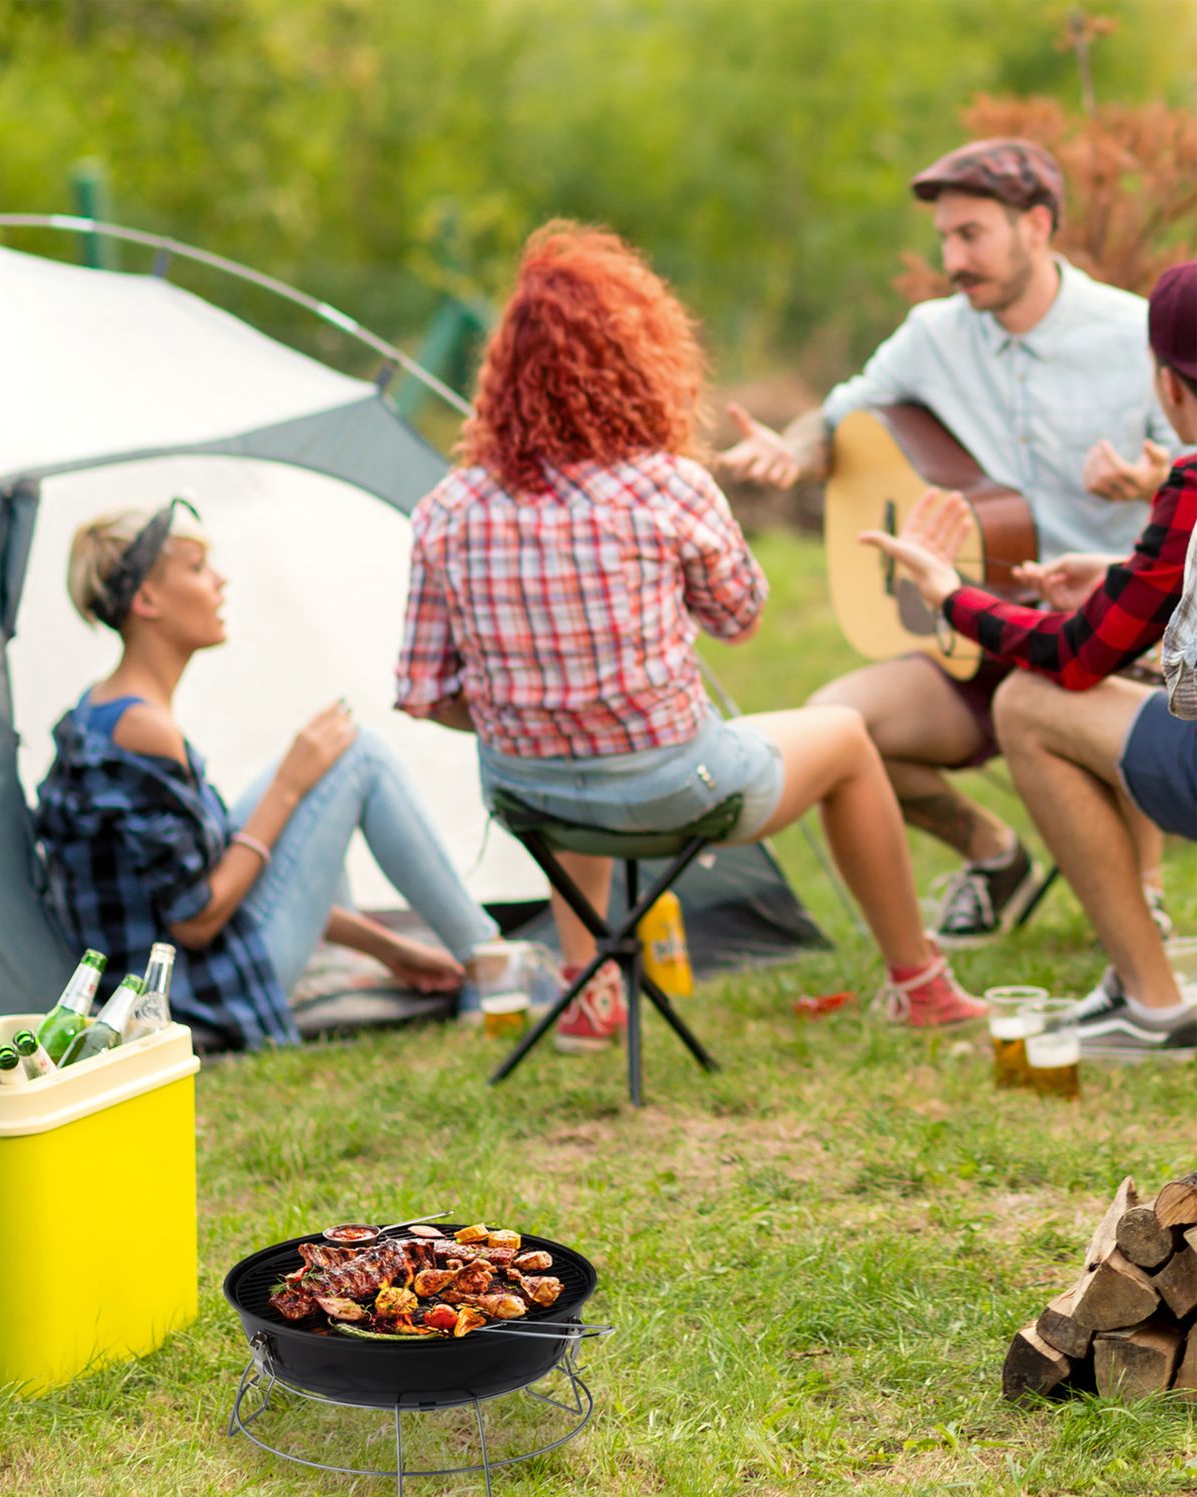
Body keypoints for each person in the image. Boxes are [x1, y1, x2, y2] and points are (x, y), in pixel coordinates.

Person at [394, 221, 983, 1054]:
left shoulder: (448, 508)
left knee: (570, 745)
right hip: (680, 789)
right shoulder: (669, 488)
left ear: (504, 377)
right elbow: (740, 621)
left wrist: (529, 708)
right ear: (640, 359)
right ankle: (919, 985)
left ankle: (587, 985)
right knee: (849, 739)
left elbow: (424, 695)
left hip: (528, 794)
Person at [719, 138, 1183, 948]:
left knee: (1085, 693)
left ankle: (1141, 909)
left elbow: (1193, 473)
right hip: (977, 625)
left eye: (972, 235)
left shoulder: (1130, 331)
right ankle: (992, 854)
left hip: (1108, 629)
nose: (953, 258)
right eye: (945, 238)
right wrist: (790, 453)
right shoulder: (931, 335)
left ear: (1036, 226)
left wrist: (1151, 481)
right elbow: (835, 420)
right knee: (837, 725)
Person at [863, 261, 1197, 1058]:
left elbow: (1075, 656)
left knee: (1029, 704)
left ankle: (1152, 1006)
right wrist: (1121, 577)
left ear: (1171, 384)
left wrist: (950, 596)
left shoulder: (1191, 480)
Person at [34, 500, 498, 1050]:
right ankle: (493, 967)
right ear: (148, 599)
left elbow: (214, 869)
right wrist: (289, 787)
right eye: (198, 568)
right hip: (193, 990)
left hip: (183, 969)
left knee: (335, 754)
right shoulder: (143, 730)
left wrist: (387, 949)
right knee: (359, 757)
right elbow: (197, 921)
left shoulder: (106, 709)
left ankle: (483, 960)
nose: (221, 581)